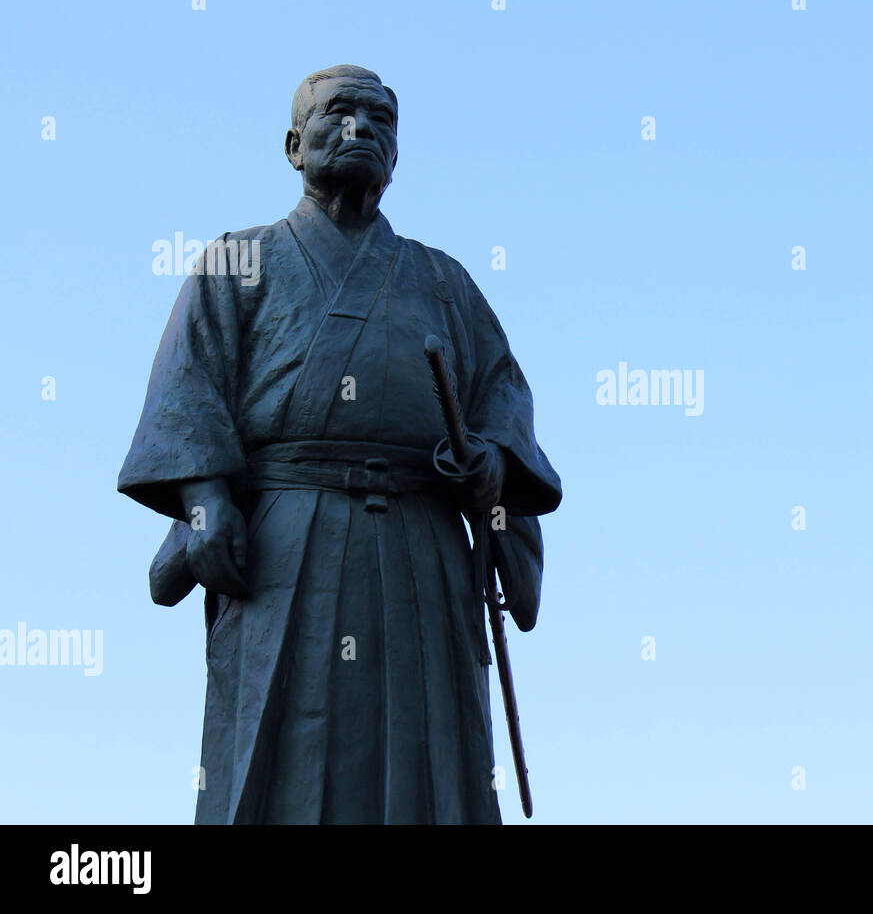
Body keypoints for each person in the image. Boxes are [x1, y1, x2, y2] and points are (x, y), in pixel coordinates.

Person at [118, 65, 561, 824]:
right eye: (339, 113)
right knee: (273, 744)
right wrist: (203, 499)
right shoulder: (238, 261)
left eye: (381, 119)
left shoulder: (444, 281)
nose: (361, 128)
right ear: (293, 145)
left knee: (433, 762)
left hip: (421, 550)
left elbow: (503, 403)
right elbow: (186, 393)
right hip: (286, 540)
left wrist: (489, 461)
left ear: (398, 157)